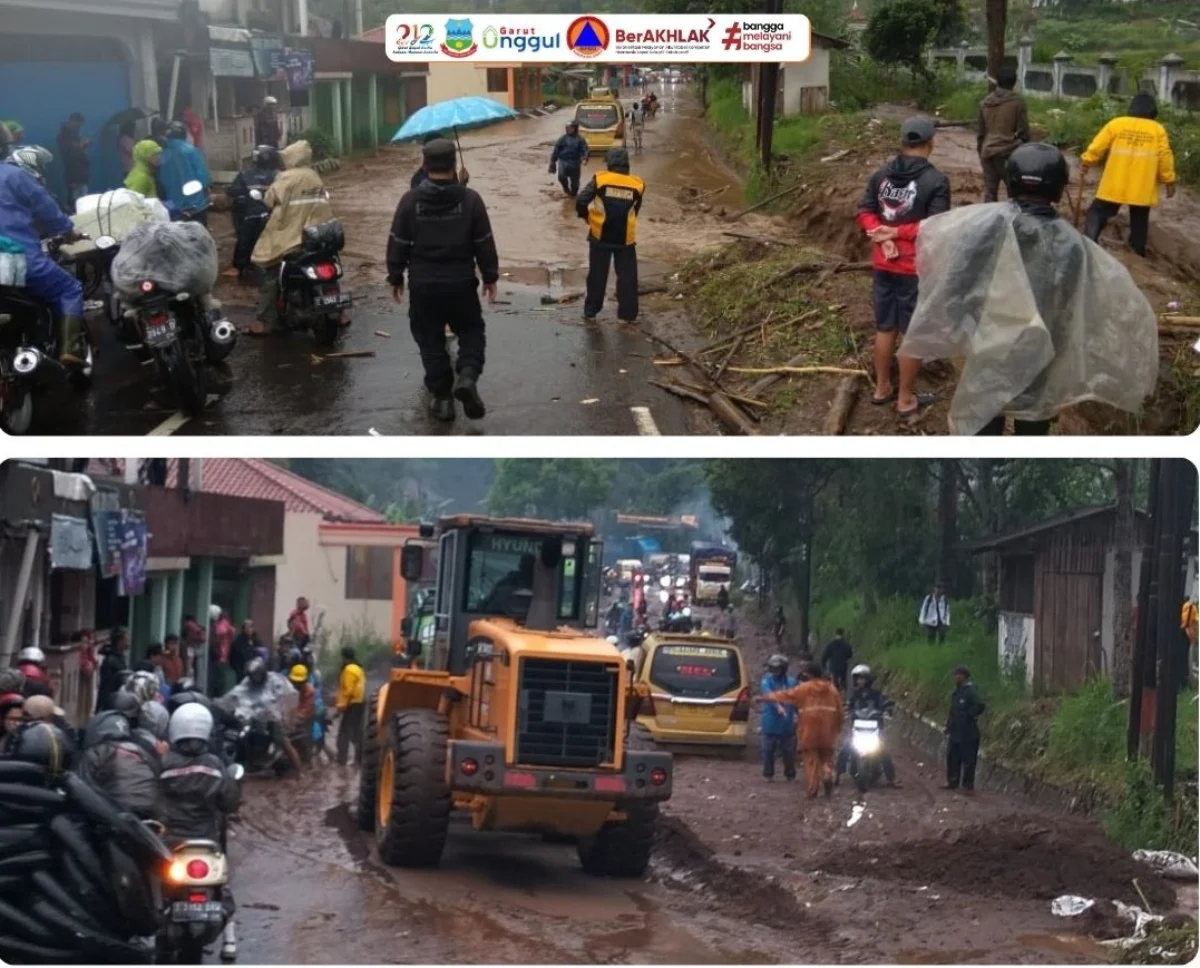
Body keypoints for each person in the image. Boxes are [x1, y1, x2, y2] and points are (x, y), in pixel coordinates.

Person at [387, 137, 499, 422]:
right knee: (472, 332)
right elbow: (484, 241)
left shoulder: (410, 201)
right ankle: (467, 378)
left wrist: (395, 276)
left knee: (430, 340)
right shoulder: (471, 199)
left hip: (423, 285)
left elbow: (398, 241)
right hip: (461, 284)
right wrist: (490, 276)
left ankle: (443, 399)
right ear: (453, 164)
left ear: (424, 165)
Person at [856, 116, 951, 416]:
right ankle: (906, 398)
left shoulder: (881, 174)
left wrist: (880, 234)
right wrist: (894, 234)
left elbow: (866, 210)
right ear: (930, 144)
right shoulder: (936, 181)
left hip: (884, 264)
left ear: (903, 142)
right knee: (912, 334)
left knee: (885, 327)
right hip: (914, 269)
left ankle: (882, 387)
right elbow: (934, 226)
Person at [160, 704, 240, 961]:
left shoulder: (163, 763)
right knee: (222, 885)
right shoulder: (214, 764)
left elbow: (149, 800)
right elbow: (229, 803)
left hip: (170, 842)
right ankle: (229, 938)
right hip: (207, 840)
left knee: (153, 885)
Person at [0, 158, 87, 366]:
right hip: (14, 260)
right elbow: (46, 207)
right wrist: (67, 231)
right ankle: (71, 349)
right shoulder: (13, 175)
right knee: (69, 289)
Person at [249, 140, 334, 336]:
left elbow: (269, 200)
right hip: (318, 235)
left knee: (268, 270)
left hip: (292, 236)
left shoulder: (285, 177)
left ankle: (265, 320)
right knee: (328, 266)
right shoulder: (315, 176)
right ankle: (341, 312)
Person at [1081, 92, 1175, 259]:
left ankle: (1089, 243)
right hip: (1142, 185)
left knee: (1097, 211)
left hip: (1115, 181)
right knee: (1140, 219)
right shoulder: (1157, 130)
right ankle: (1138, 254)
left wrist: (1087, 162)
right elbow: (1165, 156)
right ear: (1153, 110)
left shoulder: (1117, 124)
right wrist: (1169, 180)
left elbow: (1097, 146)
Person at [576, 147, 644, 325]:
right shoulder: (638, 184)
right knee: (627, 278)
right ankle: (627, 316)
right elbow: (635, 210)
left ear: (610, 164)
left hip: (600, 236)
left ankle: (591, 312)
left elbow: (581, 200)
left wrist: (586, 217)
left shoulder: (600, 179)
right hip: (625, 239)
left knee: (597, 275)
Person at [760, 663, 844, 799]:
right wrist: (837, 728)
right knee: (826, 758)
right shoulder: (832, 690)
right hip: (828, 731)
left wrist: (765, 698)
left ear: (809, 675)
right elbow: (840, 712)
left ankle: (812, 791)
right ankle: (827, 775)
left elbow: (786, 695)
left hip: (809, 731)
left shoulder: (804, 689)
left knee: (811, 760)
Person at [77, 707, 162, 818]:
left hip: (115, 813)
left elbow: (81, 785)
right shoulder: (141, 750)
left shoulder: (96, 752)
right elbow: (157, 775)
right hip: (151, 811)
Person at [226, 145, 281, 281]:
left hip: (251, 215)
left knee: (244, 239)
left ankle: (238, 267)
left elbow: (232, 191)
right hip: (274, 215)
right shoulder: (279, 176)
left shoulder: (245, 174)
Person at [840, 664, 898, 792]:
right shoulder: (854, 695)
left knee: (884, 751)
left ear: (868, 679)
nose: (859, 681)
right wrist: (846, 710)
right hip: (858, 729)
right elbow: (849, 706)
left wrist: (886, 709)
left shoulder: (876, 694)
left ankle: (891, 778)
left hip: (873, 729)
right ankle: (837, 774)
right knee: (846, 749)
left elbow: (883, 704)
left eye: (862, 678)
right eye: (857, 679)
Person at [976, 66, 1029, 203]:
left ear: (998, 82)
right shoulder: (1018, 103)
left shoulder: (984, 103)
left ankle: (989, 223)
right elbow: (1023, 132)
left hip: (987, 153)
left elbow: (980, 134)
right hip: (1008, 153)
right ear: (1014, 83)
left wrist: (981, 152)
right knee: (1015, 195)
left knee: (990, 194)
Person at [159, 121, 211, 224]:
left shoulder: (163, 154)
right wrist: (206, 187)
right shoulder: (191, 151)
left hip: (175, 204)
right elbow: (202, 174)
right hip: (196, 203)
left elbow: (162, 179)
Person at [945, 664, 985, 793]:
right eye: (955, 675)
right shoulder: (956, 693)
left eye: (958, 675)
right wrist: (948, 726)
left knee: (968, 760)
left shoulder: (970, 691)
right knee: (952, 757)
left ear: (964, 676)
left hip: (968, 733)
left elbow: (980, 705)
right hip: (956, 732)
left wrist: (968, 715)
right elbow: (953, 712)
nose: (956, 677)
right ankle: (953, 782)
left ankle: (968, 786)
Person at [759, 655, 797, 782]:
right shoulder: (766, 680)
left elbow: (795, 697)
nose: (775, 671)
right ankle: (768, 774)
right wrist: (778, 707)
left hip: (786, 723)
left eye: (778, 668)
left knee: (788, 751)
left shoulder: (791, 682)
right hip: (770, 721)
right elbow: (769, 695)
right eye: (773, 668)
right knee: (768, 750)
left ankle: (790, 774)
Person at [333, 646, 366, 767]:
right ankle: (359, 759)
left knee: (345, 733)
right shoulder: (358, 668)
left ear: (344, 657)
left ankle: (342, 760)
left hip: (352, 703)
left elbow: (348, 690)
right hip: (359, 702)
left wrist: (341, 707)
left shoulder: (349, 670)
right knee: (355, 732)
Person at [56, 112, 90, 207]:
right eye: (78, 125)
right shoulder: (64, 137)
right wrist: (81, 146)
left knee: (81, 200)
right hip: (74, 174)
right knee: (76, 202)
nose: (79, 128)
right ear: (73, 122)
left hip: (81, 174)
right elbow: (70, 153)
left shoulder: (73, 136)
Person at [549, 120, 590, 197]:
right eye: (568, 128)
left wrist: (585, 158)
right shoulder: (562, 138)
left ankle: (573, 194)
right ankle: (566, 190)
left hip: (575, 162)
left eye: (571, 128)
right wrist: (552, 162)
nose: (569, 130)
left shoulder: (580, 139)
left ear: (575, 128)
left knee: (575, 181)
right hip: (563, 161)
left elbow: (585, 149)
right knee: (561, 177)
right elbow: (556, 150)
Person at [96, 628, 131, 711]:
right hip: (111, 702)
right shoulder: (111, 660)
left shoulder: (119, 658)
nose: (128, 642)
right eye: (126, 640)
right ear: (119, 642)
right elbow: (107, 686)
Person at [821, 628, 853, 694]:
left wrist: (823, 665)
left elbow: (825, 655)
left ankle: (835, 694)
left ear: (835, 634)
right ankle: (843, 696)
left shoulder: (831, 644)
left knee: (834, 681)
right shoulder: (846, 644)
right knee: (843, 681)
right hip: (843, 665)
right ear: (843, 634)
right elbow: (850, 655)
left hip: (834, 666)